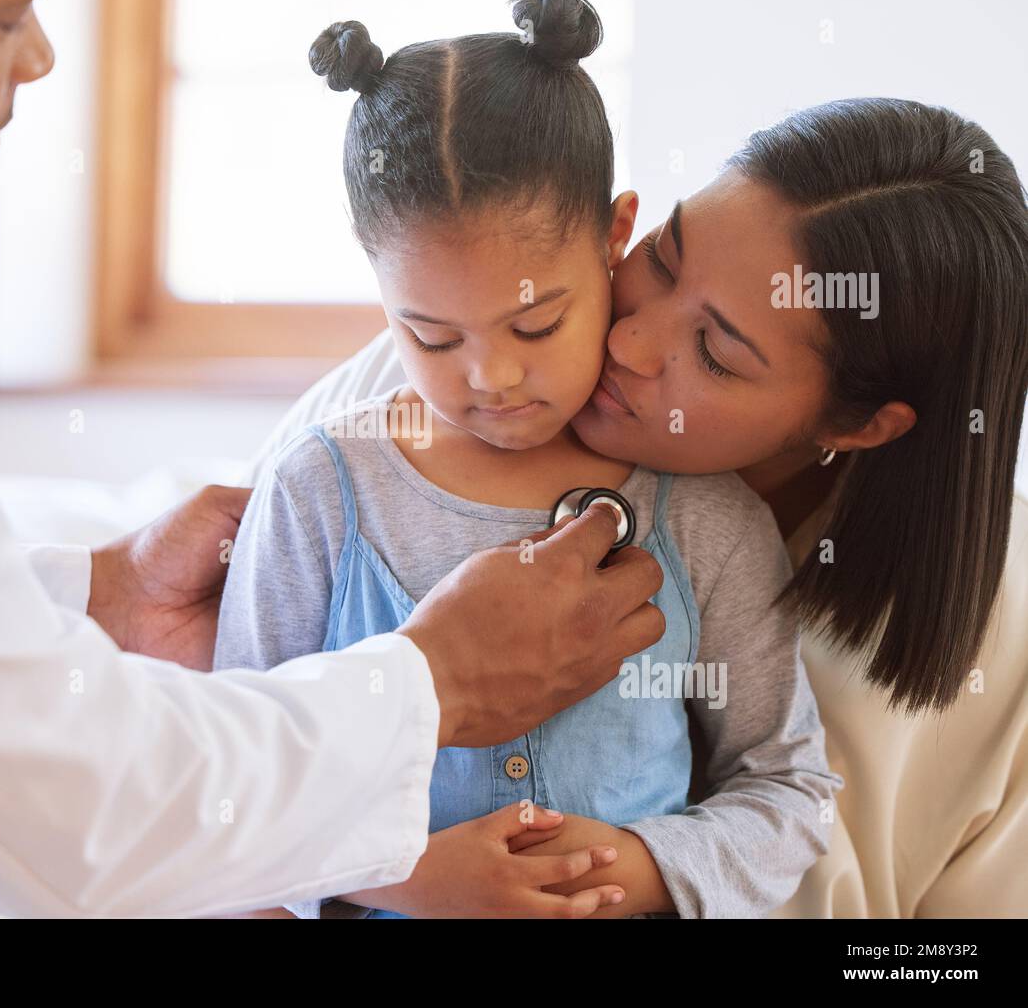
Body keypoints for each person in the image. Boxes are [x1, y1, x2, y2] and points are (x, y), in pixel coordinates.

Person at [0, 0, 667, 918]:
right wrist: (433, 681)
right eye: (2, 19)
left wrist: (99, 593)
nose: (42, 56)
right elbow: (84, 820)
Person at [251, 97, 1028, 917]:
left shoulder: (986, 632)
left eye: (716, 352)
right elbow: (213, 772)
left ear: (855, 424)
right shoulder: (452, 378)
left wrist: (619, 874)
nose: (628, 341)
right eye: (662, 257)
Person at [215, 0, 842, 919]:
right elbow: (226, 782)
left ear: (615, 234)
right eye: (430, 337)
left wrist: (635, 866)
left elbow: (788, 790)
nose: (493, 375)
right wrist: (401, 874)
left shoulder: (699, 516)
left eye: (538, 322)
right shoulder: (318, 491)